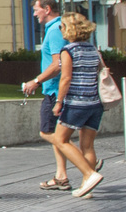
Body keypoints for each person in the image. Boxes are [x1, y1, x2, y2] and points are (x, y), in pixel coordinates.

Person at [45, 14, 106, 198]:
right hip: (94, 103)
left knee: (60, 139)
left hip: (76, 103)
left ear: (70, 29)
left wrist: (58, 102)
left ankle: (89, 174)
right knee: (88, 146)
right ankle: (87, 187)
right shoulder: (93, 49)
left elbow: (65, 78)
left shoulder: (68, 50)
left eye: (62, 27)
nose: (61, 30)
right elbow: (102, 70)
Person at [20, 0, 72, 190]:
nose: (34, 14)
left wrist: (36, 81)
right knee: (56, 134)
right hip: (55, 89)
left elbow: (58, 64)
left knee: (47, 132)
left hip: (55, 91)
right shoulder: (57, 28)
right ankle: (61, 176)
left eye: (36, 10)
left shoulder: (55, 31)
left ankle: (85, 161)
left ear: (47, 9)